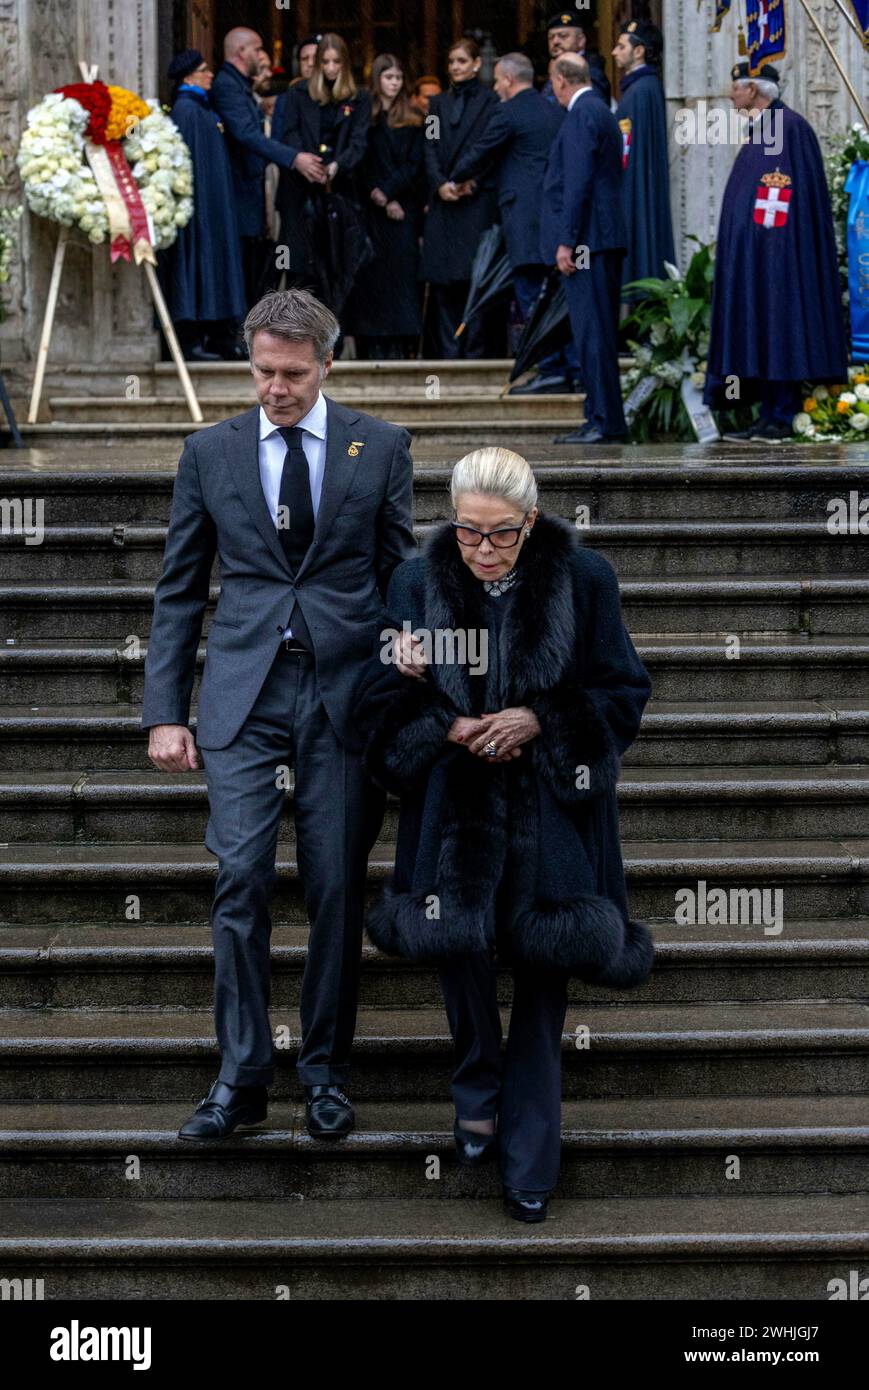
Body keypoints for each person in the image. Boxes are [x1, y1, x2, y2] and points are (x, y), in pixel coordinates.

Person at [141, 289, 415, 1144]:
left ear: (328, 365)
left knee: (334, 889)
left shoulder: (382, 447)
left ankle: (326, 1073)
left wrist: (412, 642)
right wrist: (165, 712)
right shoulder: (208, 453)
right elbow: (180, 587)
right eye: (262, 371)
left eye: (294, 374)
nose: (276, 388)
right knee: (241, 882)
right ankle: (241, 1076)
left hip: (343, 698)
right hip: (242, 699)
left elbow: (402, 570)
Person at [354, 447, 653, 1221]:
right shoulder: (415, 582)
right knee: (455, 947)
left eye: (501, 536)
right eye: (467, 533)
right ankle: (475, 1080)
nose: (483, 551)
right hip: (453, 806)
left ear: (531, 520)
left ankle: (531, 1161)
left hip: (554, 807)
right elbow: (371, 714)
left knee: (544, 974)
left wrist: (540, 718)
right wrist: (422, 698)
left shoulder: (585, 580)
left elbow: (621, 692)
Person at [706, 63, 849, 442]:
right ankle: (766, 414)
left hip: (780, 259)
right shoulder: (763, 130)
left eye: (735, 86)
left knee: (781, 330)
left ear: (753, 90)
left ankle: (783, 413)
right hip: (759, 259)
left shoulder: (788, 128)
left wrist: (767, 245)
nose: (731, 93)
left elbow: (783, 194)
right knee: (761, 330)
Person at [543, 57, 628, 445]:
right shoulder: (600, 109)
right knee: (597, 332)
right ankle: (601, 416)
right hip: (598, 239)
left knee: (593, 333)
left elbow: (577, 182)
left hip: (588, 242)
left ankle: (604, 422)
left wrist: (567, 240)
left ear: (562, 81)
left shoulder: (582, 113)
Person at [448, 53, 563, 331]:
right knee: (553, 295)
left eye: (498, 80)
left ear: (509, 80)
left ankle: (546, 366)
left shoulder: (508, 111)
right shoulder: (555, 110)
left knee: (528, 290)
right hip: (554, 216)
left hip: (523, 216)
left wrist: (454, 178)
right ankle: (560, 366)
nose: (496, 87)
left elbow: (482, 151)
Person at [274, 33, 371, 317]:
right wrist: (307, 163)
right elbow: (288, 134)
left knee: (339, 266)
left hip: (340, 192)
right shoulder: (297, 94)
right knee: (301, 268)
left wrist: (337, 165)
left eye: (336, 62)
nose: (330, 68)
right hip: (302, 192)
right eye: (325, 62)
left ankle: (334, 339)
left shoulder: (359, 98)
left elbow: (359, 141)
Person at [160, 49, 246, 361]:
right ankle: (193, 339)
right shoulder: (187, 109)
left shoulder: (200, 107)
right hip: (202, 211)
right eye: (204, 70)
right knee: (200, 268)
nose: (211, 75)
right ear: (188, 76)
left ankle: (218, 337)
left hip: (214, 207)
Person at [211, 26, 302, 309]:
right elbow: (247, 134)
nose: (262, 56)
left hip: (251, 193)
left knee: (254, 266)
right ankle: (237, 334)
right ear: (242, 51)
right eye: (258, 49)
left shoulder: (240, 83)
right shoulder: (227, 84)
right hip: (239, 193)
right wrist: (293, 157)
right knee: (243, 268)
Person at [420, 37, 500, 358]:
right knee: (443, 283)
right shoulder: (437, 104)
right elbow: (429, 146)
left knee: (474, 280)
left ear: (477, 64)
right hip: (444, 204)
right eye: (452, 61)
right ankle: (449, 355)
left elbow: (493, 149)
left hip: (474, 204)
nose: (455, 67)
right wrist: (439, 183)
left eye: (462, 61)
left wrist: (472, 183)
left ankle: (475, 355)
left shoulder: (492, 101)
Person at [349, 54, 424, 358]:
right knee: (371, 279)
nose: (394, 83)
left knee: (401, 279)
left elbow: (415, 163)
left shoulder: (416, 118)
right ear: (377, 79)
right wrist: (377, 195)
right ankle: (370, 344)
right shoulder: (363, 117)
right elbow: (357, 161)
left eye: (398, 78)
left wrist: (390, 193)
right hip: (370, 212)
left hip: (403, 209)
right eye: (388, 77)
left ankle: (398, 345)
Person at [612, 21, 676, 294]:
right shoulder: (640, 88)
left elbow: (628, 150)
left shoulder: (640, 91)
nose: (614, 52)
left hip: (636, 185)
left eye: (621, 46)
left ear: (639, 52)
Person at [541, 12, 611, 106]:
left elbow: (591, 110)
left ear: (581, 40)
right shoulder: (554, 67)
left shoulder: (590, 70)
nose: (555, 41)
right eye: (551, 37)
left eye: (563, 36)